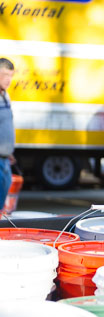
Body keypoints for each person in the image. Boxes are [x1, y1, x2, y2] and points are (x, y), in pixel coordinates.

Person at [0, 58, 16, 211]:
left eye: (11, 75)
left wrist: (9, 151)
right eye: (5, 74)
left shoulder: (5, 96)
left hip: (4, 159)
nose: (8, 80)